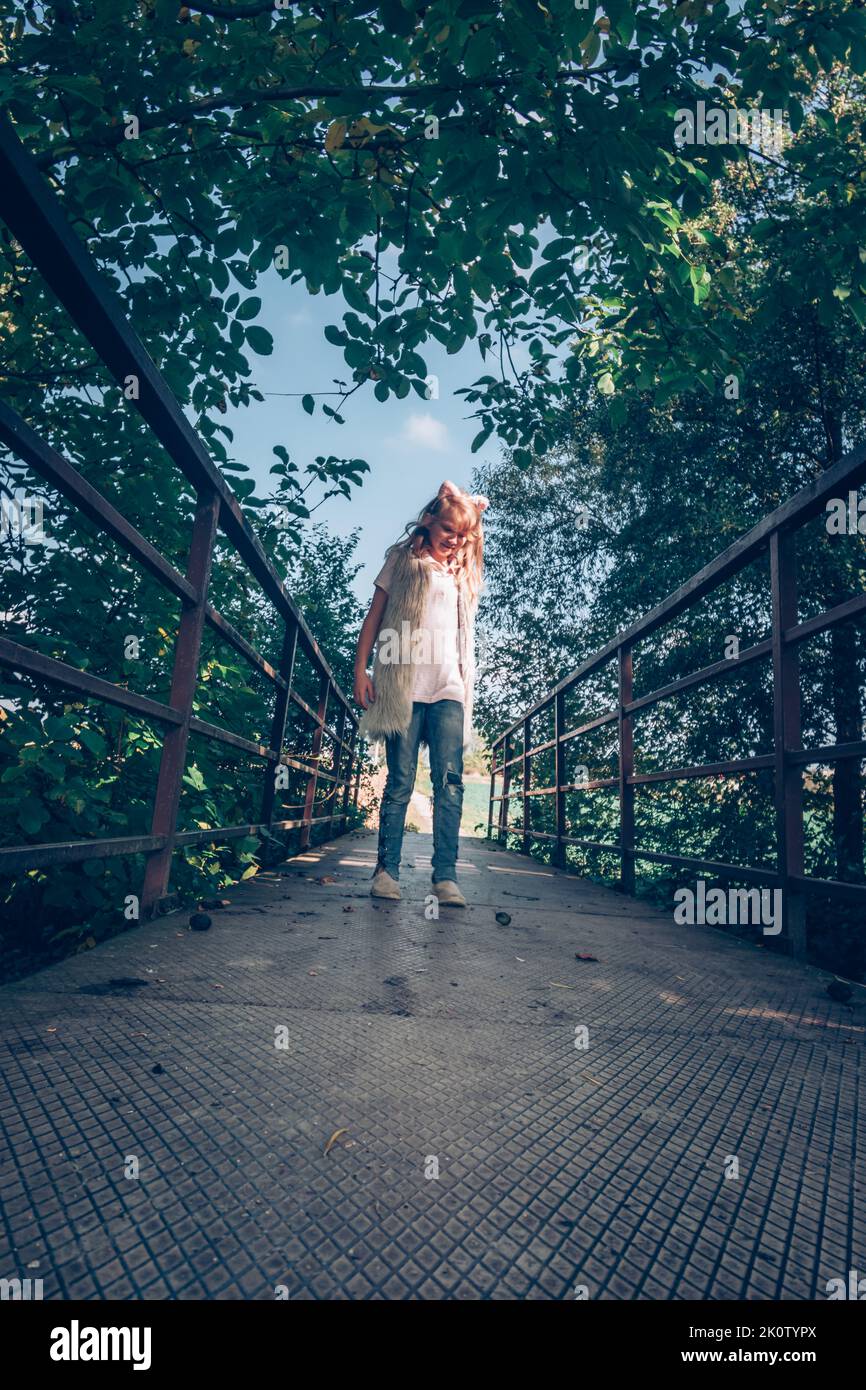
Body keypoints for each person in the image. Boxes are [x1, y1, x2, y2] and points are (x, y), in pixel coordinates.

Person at [353, 480, 488, 905]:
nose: (456, 540)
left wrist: (468, 512)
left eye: (462, 534)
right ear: (429, 521)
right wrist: (360, 670)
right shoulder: (403, 559)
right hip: (403, 687)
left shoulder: (462, 568)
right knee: (400, 782)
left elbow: (471, 528)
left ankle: (445, 877)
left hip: (449, 689)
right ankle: (386, 873)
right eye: (448, 530)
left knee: (450, 783)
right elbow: (374, 617)